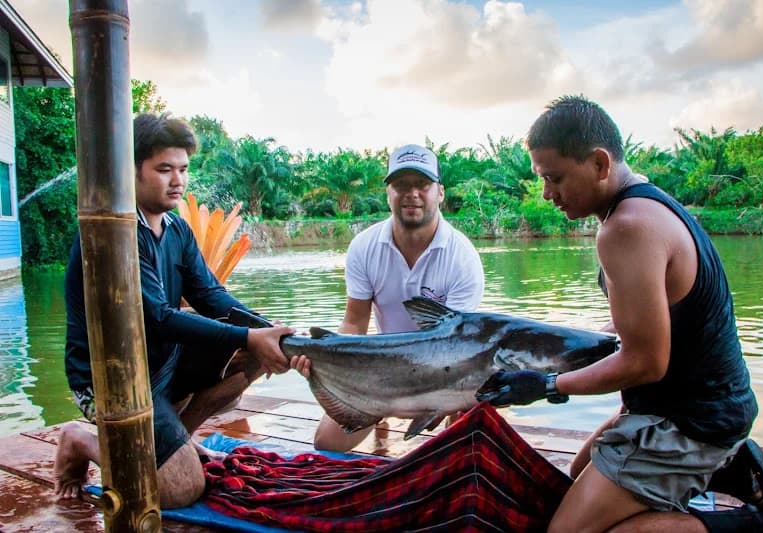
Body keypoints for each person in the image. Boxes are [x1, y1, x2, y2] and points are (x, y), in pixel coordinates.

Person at [477, 95, 763, 532]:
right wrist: (563, 350)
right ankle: (728, 468)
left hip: (690, 422)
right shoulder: (649, 202)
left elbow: (647, 362)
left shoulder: (626, 228)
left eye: (554, 178)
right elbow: (641, 323)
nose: (547, 193)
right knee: (576, 474)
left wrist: (547, 384)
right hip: (705, 405)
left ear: (599, 164)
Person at [54, 113, 296, 509]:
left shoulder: (177, 228)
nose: (177, 180)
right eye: (163, 169)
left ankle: (176, 440)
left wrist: (272, 333)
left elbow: (212, 297)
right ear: (129, 171)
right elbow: (159, 317)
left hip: (162, 365)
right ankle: (82, 440)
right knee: (180, 490)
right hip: (114, 380)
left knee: (256, 354)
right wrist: (251, 335)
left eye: (182, 169)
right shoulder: (112, 232)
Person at [293, 143, 484, 452]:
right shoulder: (364, 246)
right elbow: (354, 324)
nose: (412, 193)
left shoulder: (463, 258)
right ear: (389, 194)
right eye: (401, 185)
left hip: (444, 372)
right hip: (379, 371)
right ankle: (379, 415)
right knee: (327, 443)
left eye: (422, 184)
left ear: (440, 192)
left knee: (471, 418)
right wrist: (324, 361)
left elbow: (455, 346)